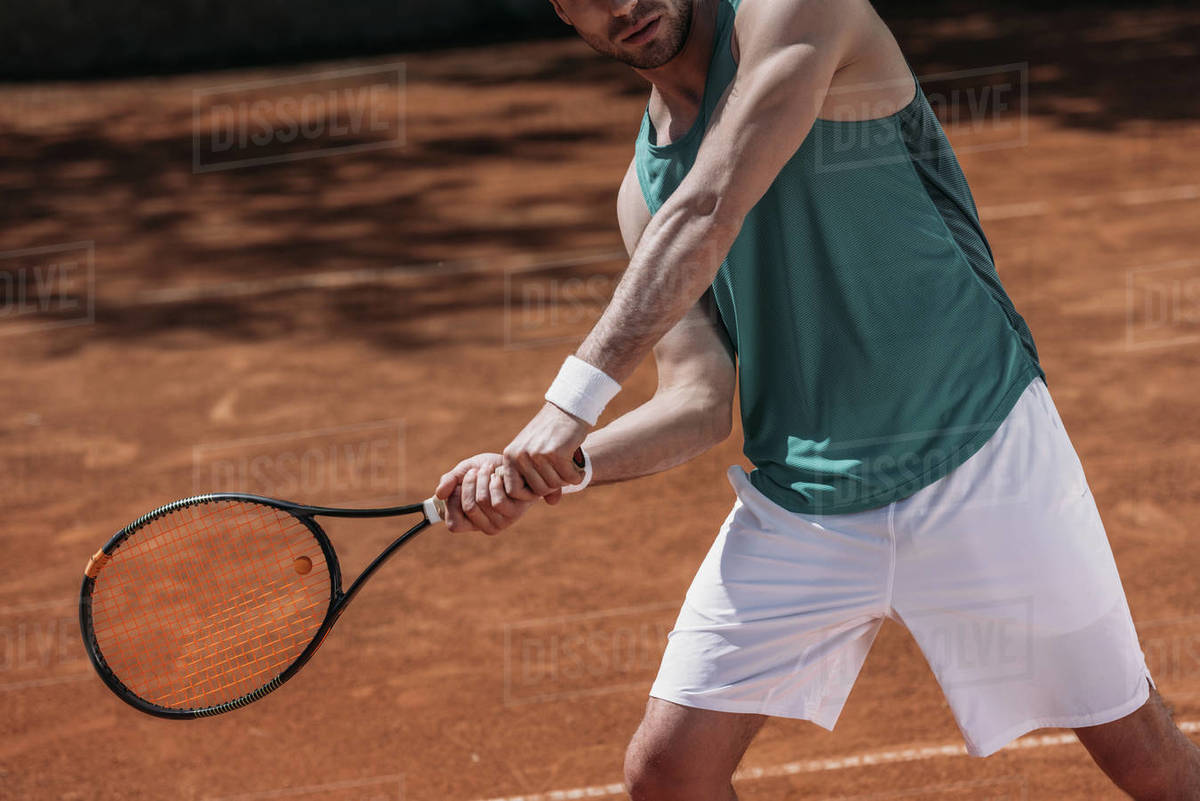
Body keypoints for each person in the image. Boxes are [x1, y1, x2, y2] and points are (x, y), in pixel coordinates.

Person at [436, 0, 1200, 797]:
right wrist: (566, 463)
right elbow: (698, 401)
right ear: (561, 10)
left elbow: (713, 203)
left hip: (982, 450)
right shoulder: (642, 193)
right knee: (668, 771)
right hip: (805, 504)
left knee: (1145, 758)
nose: (624, 3)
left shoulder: (800, 11)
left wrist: (572, 400)